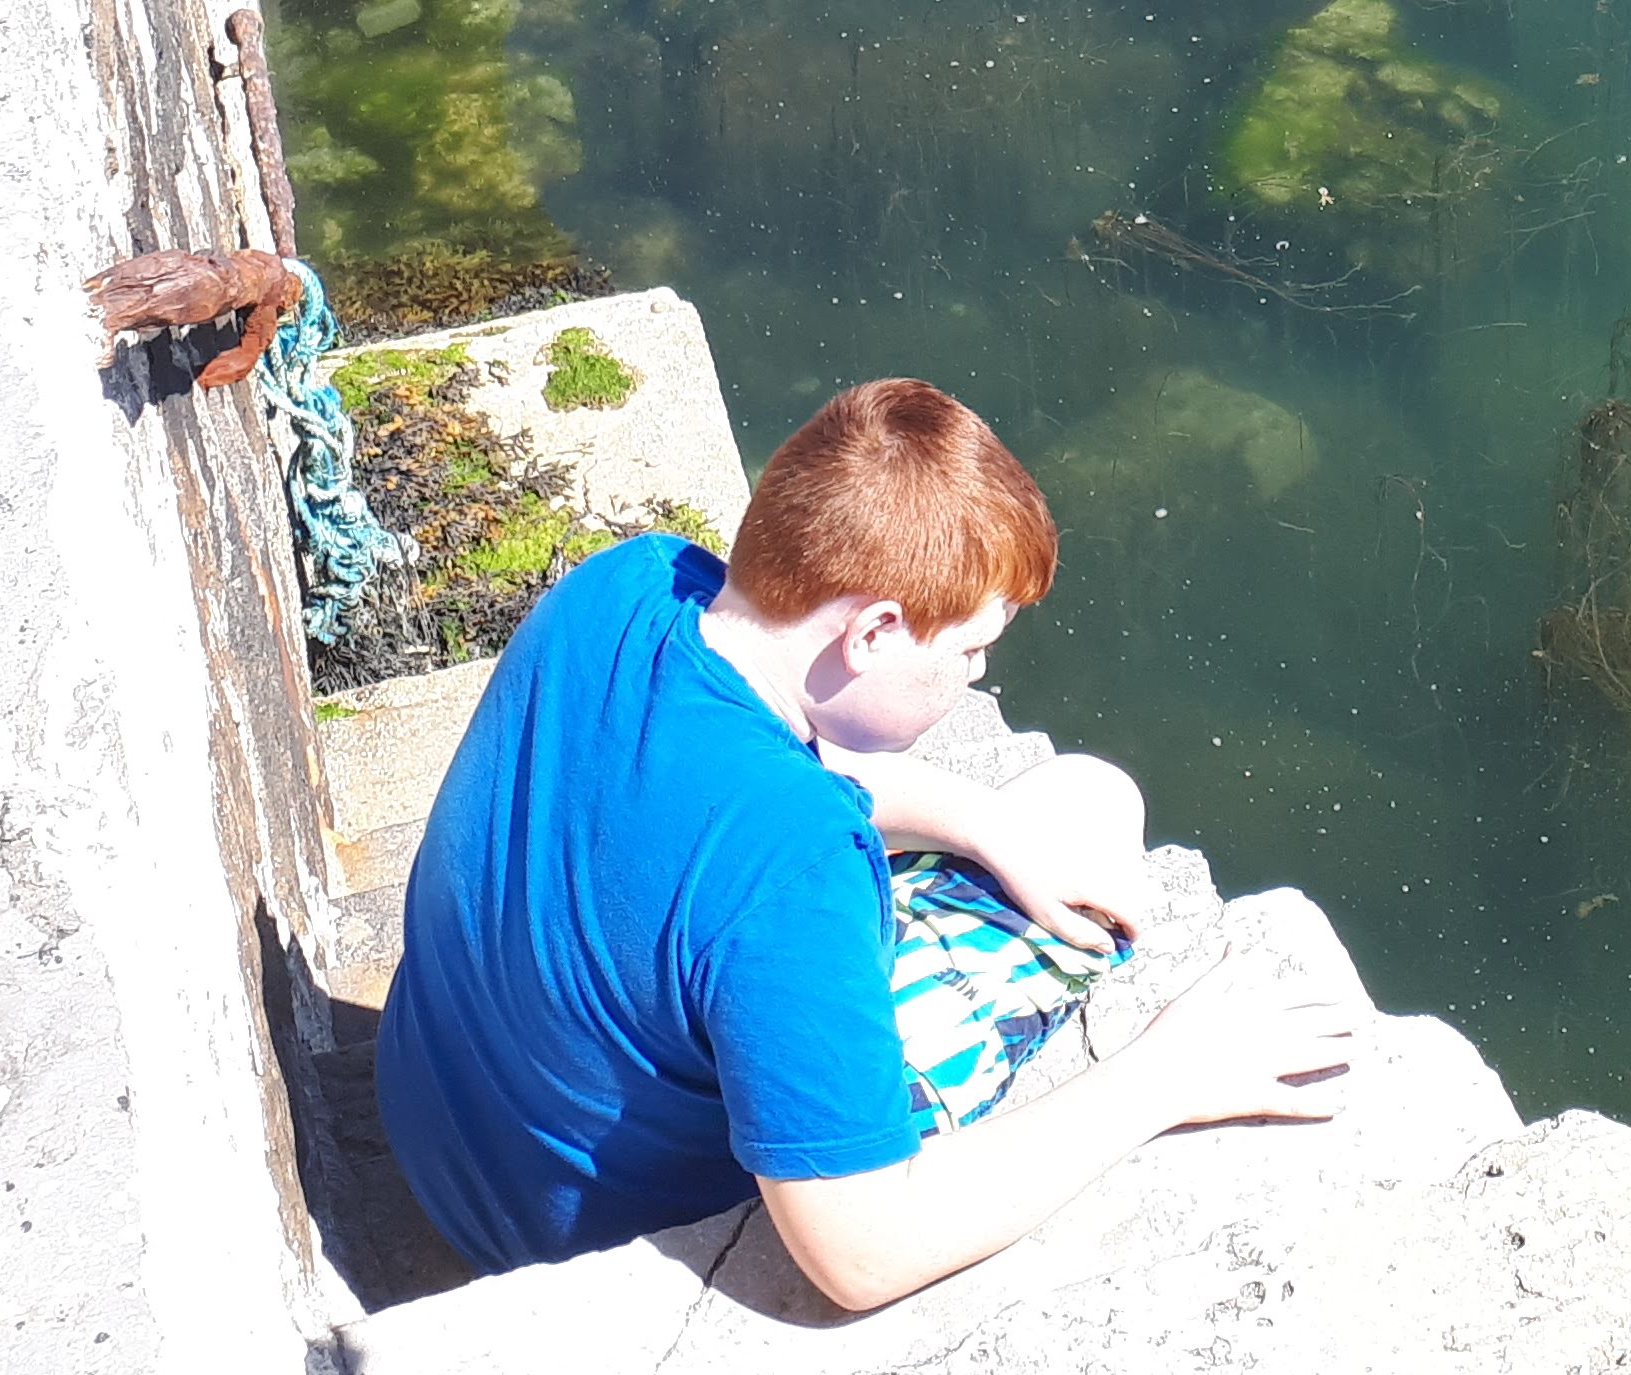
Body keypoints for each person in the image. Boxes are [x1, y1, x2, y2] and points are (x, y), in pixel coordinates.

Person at [374, 375, 1359, 1309]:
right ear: (876, 631)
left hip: (442, 1130)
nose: (973, 679)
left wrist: (980, 821)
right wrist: (1164, 1075)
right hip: (571, 1232)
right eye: (971, 648)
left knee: (1044, 809)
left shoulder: (630, 585)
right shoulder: (796, 869)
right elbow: (859, 1252)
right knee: (1094, 803)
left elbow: (701, 804)